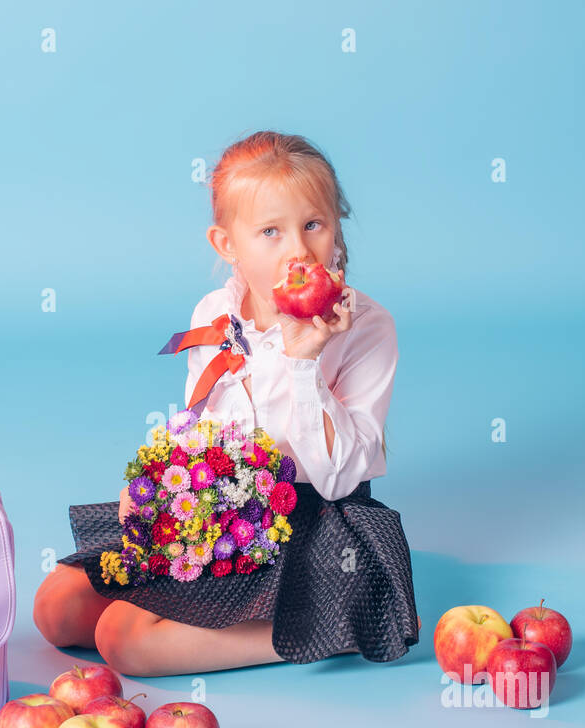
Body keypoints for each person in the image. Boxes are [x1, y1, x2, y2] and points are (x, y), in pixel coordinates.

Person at [33, 130, 420, 677]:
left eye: (314, 225)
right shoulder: (214, 313)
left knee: (124, 640)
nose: (299, 252)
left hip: (311, 521)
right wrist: (158, 489)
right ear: (227, 243)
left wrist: (305, 361)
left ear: (336, 224)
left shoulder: (366, 326)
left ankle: (325, 628)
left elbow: (336, 479)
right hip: (226, 511)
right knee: (58, 608)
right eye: (270, 231)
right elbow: (206, 435)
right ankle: (246, 618)